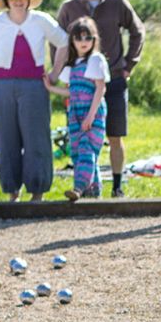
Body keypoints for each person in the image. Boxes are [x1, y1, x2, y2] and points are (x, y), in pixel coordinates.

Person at [54, 0, 145, 198]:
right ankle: (89, 188)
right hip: (80, 83)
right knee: (82, 138)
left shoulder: (117, 3)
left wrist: (129, 65)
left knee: (115, 135)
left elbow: (138, 31)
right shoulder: (68, 8)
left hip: (113, 77)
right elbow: (58, 42)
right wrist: (62, 72)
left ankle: (117, 185)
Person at [0, 0, 66, 201]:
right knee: (6, 139)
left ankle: (37, 192)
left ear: (29, 0)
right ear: (7, 1)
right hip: (1, 87)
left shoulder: (41, 20)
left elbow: (64, 42)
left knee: (37, 137)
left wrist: (55, 74)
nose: (18, 2)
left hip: (34, 87)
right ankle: (12, 192)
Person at [45, 18, 110, 200]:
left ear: (94, 39)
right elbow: (69, 91)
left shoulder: (96, 60)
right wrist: (50, 88)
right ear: (72, 41)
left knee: (87, 150)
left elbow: (100, 88)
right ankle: (93, 194)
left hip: (93, 112)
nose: (83, 42)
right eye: (78, 38)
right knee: (78, 153)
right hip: (75, 114)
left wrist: (90, 116)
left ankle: (79, 188)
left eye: (87, 38)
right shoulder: (72, 65)